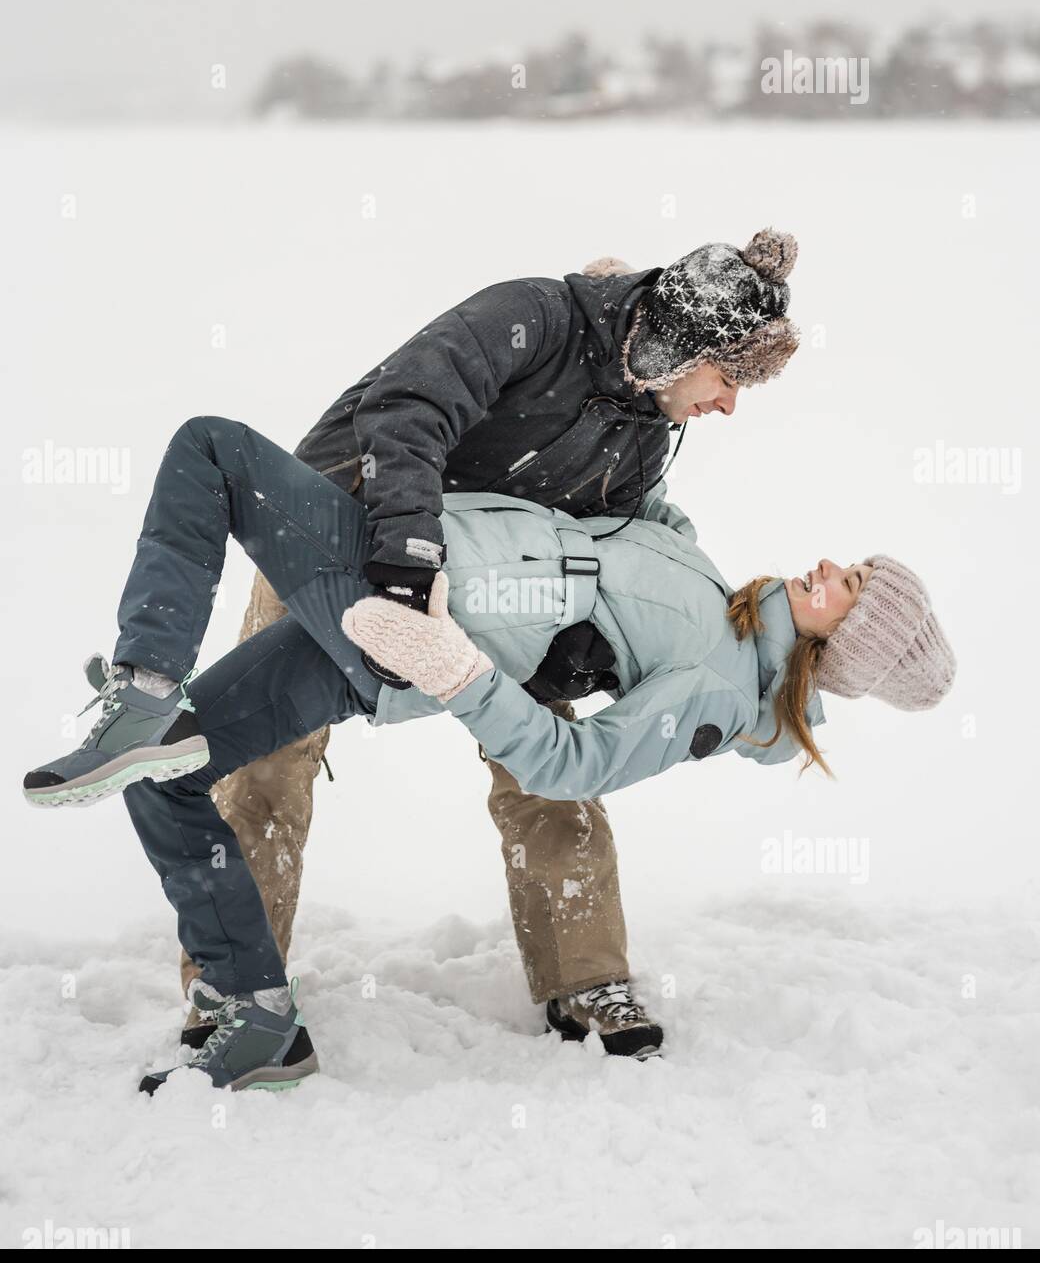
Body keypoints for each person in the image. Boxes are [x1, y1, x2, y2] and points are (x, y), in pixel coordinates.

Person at [23, 410, 955, 1094]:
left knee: (210, 447)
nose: (831, 567)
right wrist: (634, 393)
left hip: (411, 605)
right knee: (164, 769)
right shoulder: (719, 589)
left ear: (842, 648)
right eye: (852, 563)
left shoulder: (715, 691)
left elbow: (573, 764)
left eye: (851, 588)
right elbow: (638, 501)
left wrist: (457, 669)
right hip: (408, 575)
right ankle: (253, 1014)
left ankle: (143, 687)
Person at [177, 228, 803, 1059]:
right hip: (340, 539)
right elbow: (407, 405)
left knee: (548, 769)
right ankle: (234, 989)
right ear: (679, 347)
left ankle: (588, 979)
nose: (729, 405)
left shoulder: (647, 427)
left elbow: (624, 529)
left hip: (510, 591)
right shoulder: (531, 315)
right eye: (729, 380)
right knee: (265, 763)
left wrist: (659, 639)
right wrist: (410, 553)